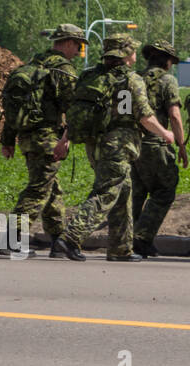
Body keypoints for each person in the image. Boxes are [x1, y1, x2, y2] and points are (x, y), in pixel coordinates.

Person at [57, 34, 174, 261]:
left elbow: (76, 111)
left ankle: (121, 248)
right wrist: (165, 133)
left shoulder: (90, 76)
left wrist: (65, 138)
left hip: (95, 143)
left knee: (124, 192)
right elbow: (145, 116)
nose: (134, 55)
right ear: (125, 53)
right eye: (132, 50)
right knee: (107, 192)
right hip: (118, 145)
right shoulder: (130, 80)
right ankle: (71, 236)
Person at [0, 23, 86, 256]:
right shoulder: (63, 70)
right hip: (47, 138)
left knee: (52, 189)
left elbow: (13, 109)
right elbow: (73, 109)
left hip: (27, 138)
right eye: (77, 46)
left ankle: (58, 241)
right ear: (67, 43)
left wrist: (7, 140)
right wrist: (67, 138)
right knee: (38, 190)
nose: (78, 51)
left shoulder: (32, 65)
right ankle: (11, 240)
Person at [130, 40, 186, 257]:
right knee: (164, 190)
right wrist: (180, 144)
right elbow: (174, 114)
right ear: (167, 60)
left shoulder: (135, 79)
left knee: (137, 192)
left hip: (134, 143)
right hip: (156, 143)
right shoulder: (167, 80)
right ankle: (141, 238)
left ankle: (127, 236)